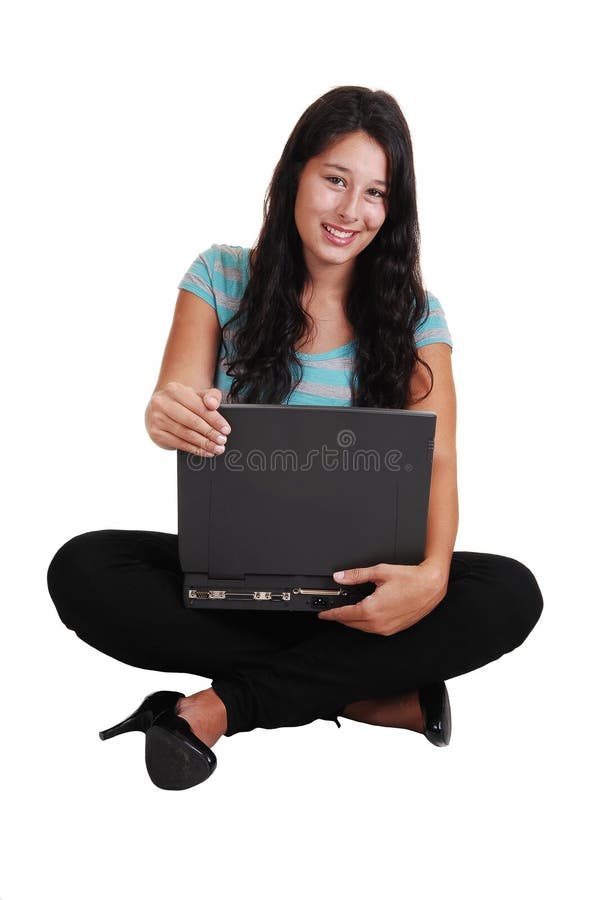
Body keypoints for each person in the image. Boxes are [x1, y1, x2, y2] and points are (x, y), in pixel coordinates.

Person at [46, 85, 543, 791]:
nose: (350, 211)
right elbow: (177, 396)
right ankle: (363, 694)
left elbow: (441, 460)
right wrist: (165, 415)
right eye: (335, 180)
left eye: (375, 193)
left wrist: (432, 579)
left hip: (359, 594)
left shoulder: (417, 318)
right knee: (83, 569)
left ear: (392, 210)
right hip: (240, 583)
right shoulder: (219, 276)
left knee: (509, 592)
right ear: (295, 175)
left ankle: (218, 708)